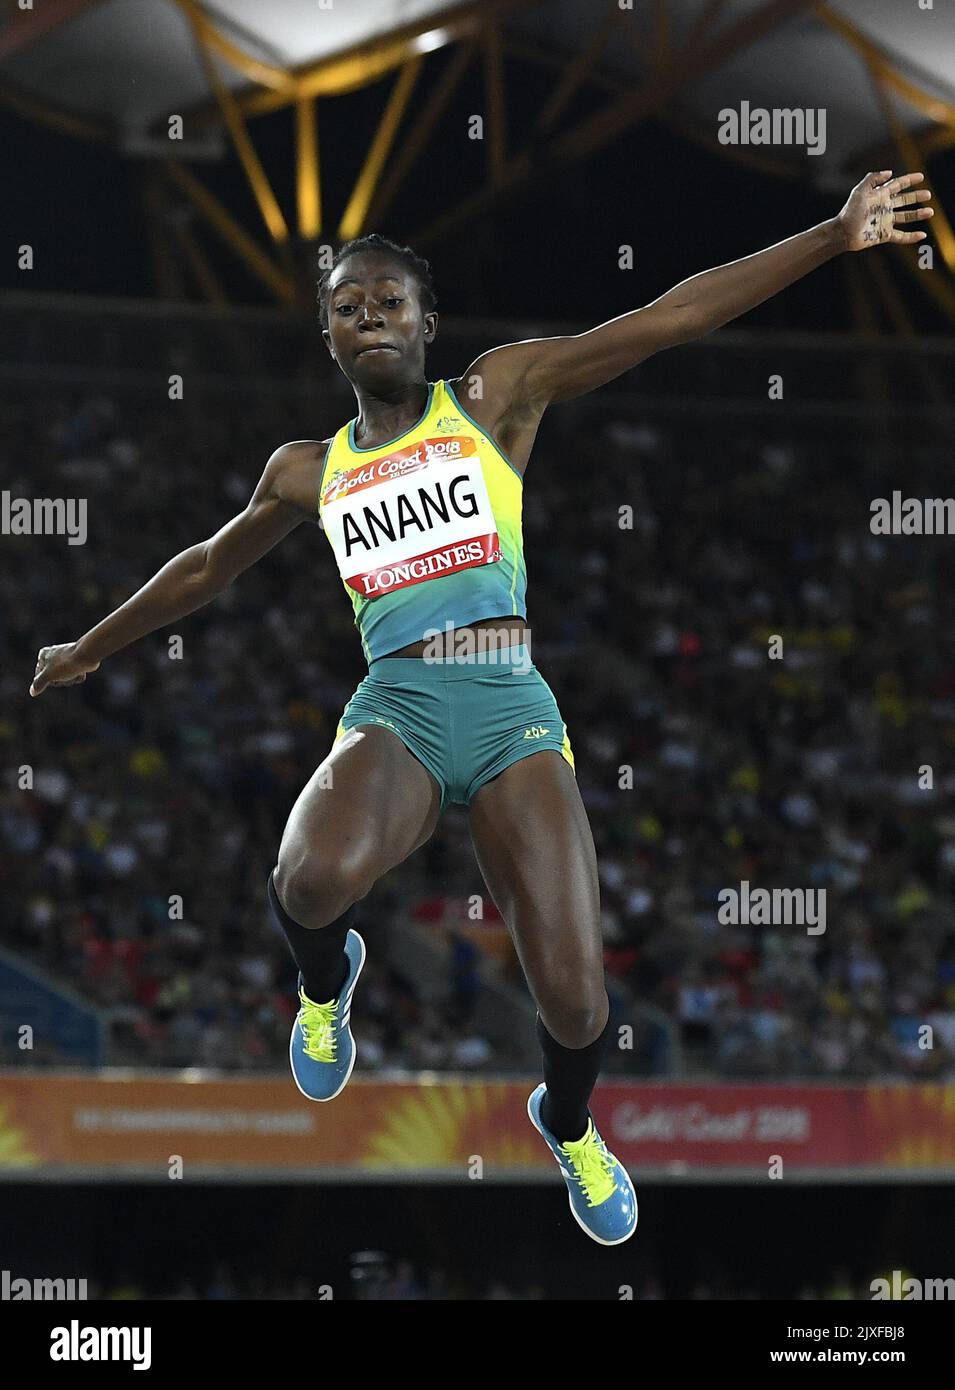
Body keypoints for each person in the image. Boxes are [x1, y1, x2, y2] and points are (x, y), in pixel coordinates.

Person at [30, 170, 932, 1245]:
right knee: (310, 878)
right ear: (328, 338)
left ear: (428, 323)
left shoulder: (496, 394)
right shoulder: (305, 470)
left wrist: (831, 238)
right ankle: (328, 988)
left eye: (389, 300)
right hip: (399, 703)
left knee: (578, 1006)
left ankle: (566, 1118)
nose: (370, 314)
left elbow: (667, 317)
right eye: (347, 306)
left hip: (509, 705)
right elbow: (205, 568)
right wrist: (90, 646)